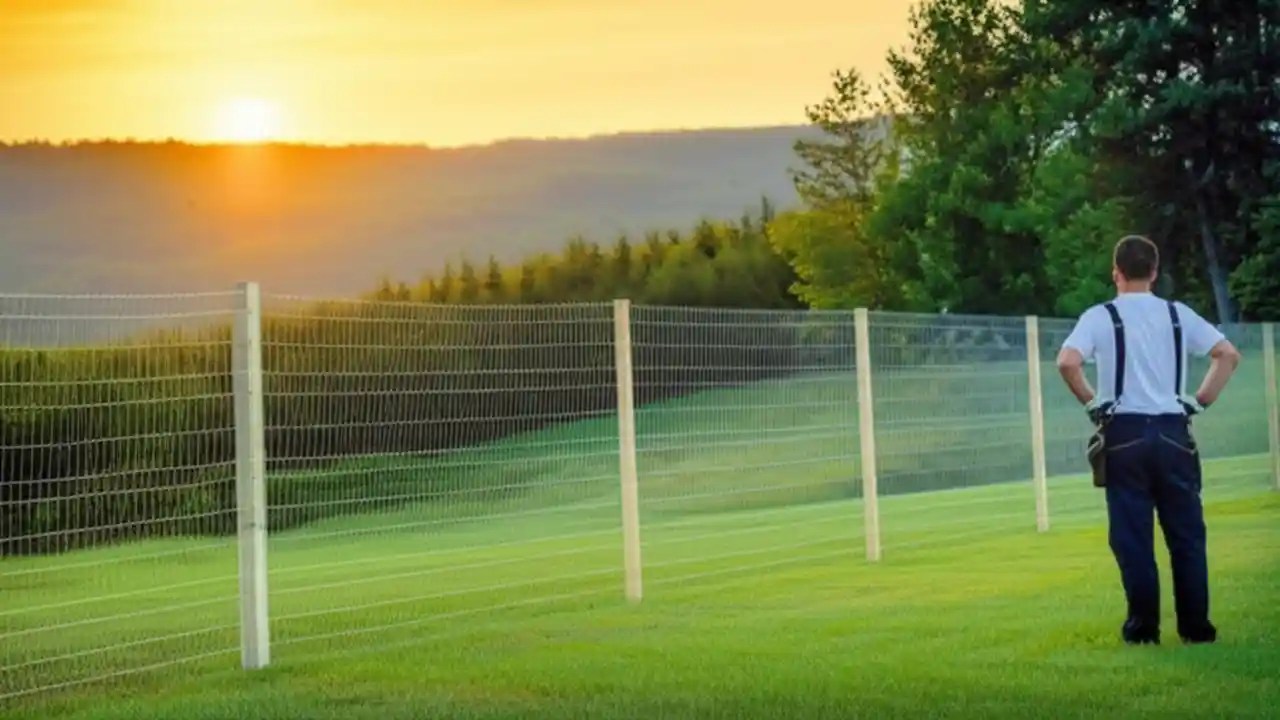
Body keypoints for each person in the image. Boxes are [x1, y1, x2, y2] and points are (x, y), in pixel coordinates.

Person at [1056, 235, 1241, 645]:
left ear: (1115, 273)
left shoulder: (1099, 316)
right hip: (1175, 432)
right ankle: (1196, 630)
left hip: (1123, 433)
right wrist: (1199, 401)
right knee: (1187, 537)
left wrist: (1092, 404)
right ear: (1155, 272)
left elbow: (1067, 361)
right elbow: (1227, 354)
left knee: (1133, 538)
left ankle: (1143, 631)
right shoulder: (1178, 314)